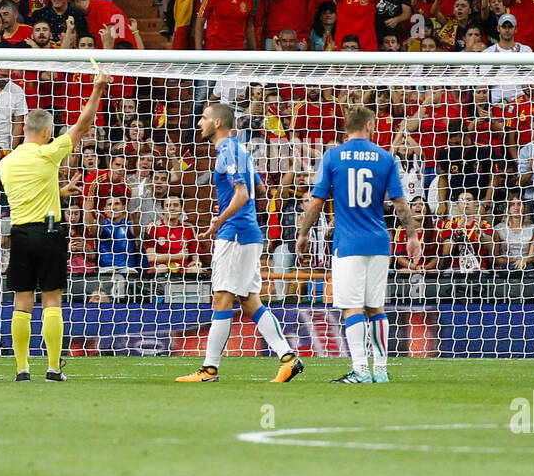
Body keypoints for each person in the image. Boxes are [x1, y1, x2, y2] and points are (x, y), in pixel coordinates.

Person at [294, 106, 421, 384]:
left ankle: (361, 371)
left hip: (348, 243)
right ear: (370, 125)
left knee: (352, 308)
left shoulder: (332, 156)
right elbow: (400, 203)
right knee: (375, 307)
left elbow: (316, 202)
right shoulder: (385, 158)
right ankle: (381, 371)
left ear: (346, 127)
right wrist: (412, 236)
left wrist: (303, 234)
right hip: (378, 241)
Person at [0, 70, 110, 382]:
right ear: (47, 131)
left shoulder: (7, 162)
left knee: (22, 301)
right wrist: (97, 88)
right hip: (48, 233)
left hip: (19, 233)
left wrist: (57, 192)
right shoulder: (49, 154)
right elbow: (83, 125)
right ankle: (52, 368)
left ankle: (21, 369)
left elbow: (27, 193)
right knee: (51, 299)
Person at [177, 103, 301, 383]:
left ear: (218, 122)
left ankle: (209, 370)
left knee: (221, 297)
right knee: (248, 300)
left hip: (234, 234)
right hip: (247, 232)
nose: (199, 123)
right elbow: (260, 188)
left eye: (204, 118)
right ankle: (288, 357)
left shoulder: (228, 151)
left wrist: (218, 221)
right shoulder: (241, 150)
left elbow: (243, 194)